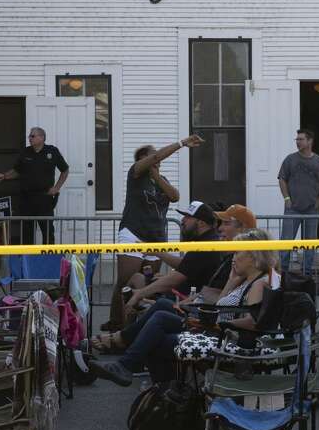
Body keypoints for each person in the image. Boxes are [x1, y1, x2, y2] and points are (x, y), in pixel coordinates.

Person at [90, 230, 275, 386]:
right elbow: (220, 305)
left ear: (253, 256)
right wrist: (231, 281)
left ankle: (152, 383)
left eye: (237, 253)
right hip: (214, 331)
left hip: (222, 337)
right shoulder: (244, 280)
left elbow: (253, 321)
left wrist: (216, 323)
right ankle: (137, 371)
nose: (233, 258)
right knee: (161, 314)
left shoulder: (259, 284)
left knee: (158, 330)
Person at [104, 136, 199, 332]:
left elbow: (174, 196)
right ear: (141, 161)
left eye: (157, 159)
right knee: (126, 280)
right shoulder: (136, 174)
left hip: (156, 237)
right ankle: (117, 323)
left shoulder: (160, 179)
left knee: (147, 282)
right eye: (152, 158)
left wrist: (156, 176)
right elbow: (155, 156)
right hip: (133, 232)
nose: (157, 160)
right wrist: (181, 144)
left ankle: (136, 325)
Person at [123, 201, 226, 314]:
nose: (182, 221)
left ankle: (124, 328)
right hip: (185, 293)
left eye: (187, 217)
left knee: (136, 282)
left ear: (201, 223)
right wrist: (158, 253)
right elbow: (187, 265)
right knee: (138, 281)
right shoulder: (207, 240)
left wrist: (140, 293)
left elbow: (175, 279)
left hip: (185, 299)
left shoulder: (204, 246)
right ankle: (127, 326)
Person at [0, 127, 70, 246]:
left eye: (32, 136)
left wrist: (56, 188)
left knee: (48, 231)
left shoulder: (52, 151)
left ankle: (48, 260)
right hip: (27, 198)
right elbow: (17, 171)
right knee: (27, 232)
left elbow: (65, 170)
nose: (29, 138)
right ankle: (28, 260)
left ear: (42, 137)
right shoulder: (25, 152)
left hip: (44, 198)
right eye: (29, 136)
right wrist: (4, 176)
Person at [277, 129, 319, 275]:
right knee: (286, 242)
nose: (298, 142)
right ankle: (283, 274)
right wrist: (286, 198)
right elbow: (282, 178)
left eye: (301, 139)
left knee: (310, 243)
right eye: (297, 139)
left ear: (310, 141)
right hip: (292, 209)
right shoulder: (290, 159)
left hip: (312, 209)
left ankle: (306, 274)